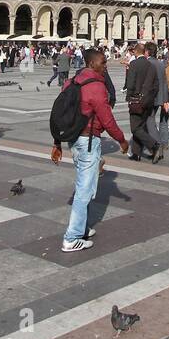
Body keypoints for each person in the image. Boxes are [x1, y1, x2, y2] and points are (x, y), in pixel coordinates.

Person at [53, 49, 129, 253]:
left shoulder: (73, 81)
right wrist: (121, 140)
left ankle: (82, 227)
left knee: (83, 185)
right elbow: (107, 119)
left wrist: (57, 141)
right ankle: (72, 237)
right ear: (92, 63)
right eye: (103, 62)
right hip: (88, 140)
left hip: (74, 138)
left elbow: (61, 110)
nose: (106, 66)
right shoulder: (96, 86)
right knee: (85, 190)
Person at [124, 43, 161, 162]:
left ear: (135, 52)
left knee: (135, 128)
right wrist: (150, 97)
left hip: (136, 100)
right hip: (148, 101)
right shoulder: (150, 65)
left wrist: (129, 97)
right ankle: (136, 153)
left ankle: (154, 146)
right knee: (140, 126)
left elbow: (130, 83)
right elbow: (156, 85)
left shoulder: (133, 64)